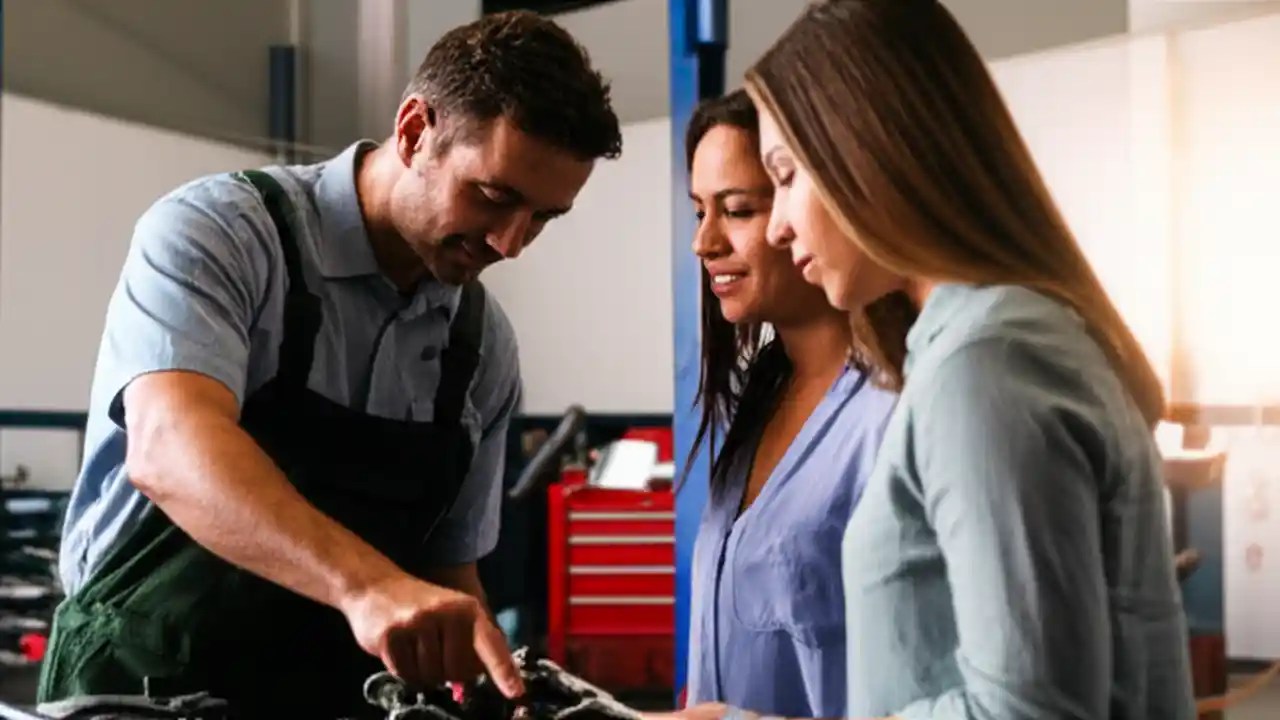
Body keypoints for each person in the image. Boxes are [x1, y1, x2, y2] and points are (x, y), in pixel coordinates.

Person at [38, 10, 621, 717]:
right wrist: (369, 587)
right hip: (138, 683)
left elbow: (447, 574)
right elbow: (169, 447)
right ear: (413, 132)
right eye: (494, 198)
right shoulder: (223, 235)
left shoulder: (481, 348)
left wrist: (492, 688)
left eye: (542, 218)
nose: (512, 242)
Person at [664, 1, 1197, 719]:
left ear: (868, 152)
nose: (783, 222)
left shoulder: (986, 367)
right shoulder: (975, 349)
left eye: (785, 178)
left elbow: (1027, 712)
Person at [679, 90, 897, 719]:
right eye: (699, 211)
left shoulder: (890, 412)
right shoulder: (760, 396)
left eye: (739, 209)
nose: (704, 242)